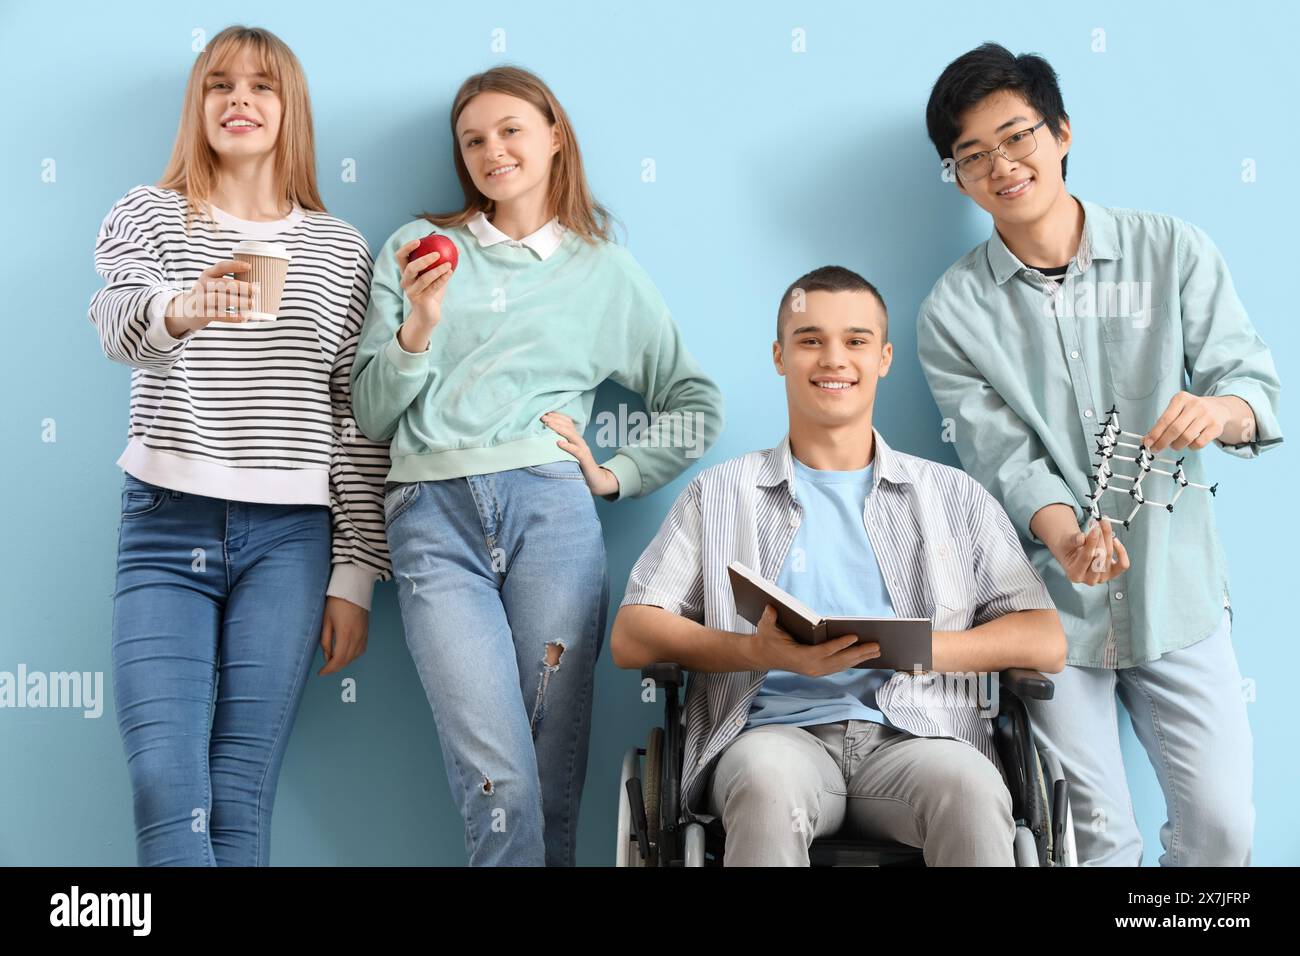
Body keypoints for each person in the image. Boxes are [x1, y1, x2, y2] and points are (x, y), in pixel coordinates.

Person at [917, 43, 1283, 865]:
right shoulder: (952, 311)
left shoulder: (1172, 249)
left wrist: (1216, 412)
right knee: (1093, 844)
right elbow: (1001, 457)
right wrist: (1068, 540)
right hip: (1049, 610)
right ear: (958, 177)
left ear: (1063, 132)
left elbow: (1251, 384)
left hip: (1176, 589)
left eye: (1017, 138)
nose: (1001, 166)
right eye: (972, 156)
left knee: (1224, 831)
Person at [350, 65, 724, 866]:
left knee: (551, 777)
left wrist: (614, 472)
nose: (493, 151)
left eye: (511, 129)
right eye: (474, 140)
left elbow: (696, 402)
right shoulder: (414, 248)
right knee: (500, 781)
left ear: (554, 134)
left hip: (550, 515)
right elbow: (372, 413)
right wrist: (420, 323)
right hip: (430, 518)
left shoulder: (602, 271)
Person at [612, 266, 1065, 866]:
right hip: (772, 739)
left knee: (973, 789)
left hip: (921, 738)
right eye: (809, 340)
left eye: (855, 341)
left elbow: (1046, 640)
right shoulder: (719, 494)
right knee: (767, 785)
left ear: (883, 358)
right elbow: (631, 636)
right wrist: (757, 652)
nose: (834, 359)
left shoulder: (953, 496)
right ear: (780, 356)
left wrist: (922, 648)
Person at [88, 25, 390, 865]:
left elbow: (356, 420)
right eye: (219, 85)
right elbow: (114, 325)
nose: (239, 100)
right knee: (165, 784)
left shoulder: (340, 249)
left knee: (239, 790)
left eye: (262, 86)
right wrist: (183, 308)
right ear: (199, 106)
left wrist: (356, 576)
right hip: (163, 523)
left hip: (292, 537)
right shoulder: (148, 214)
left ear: (289, 109)